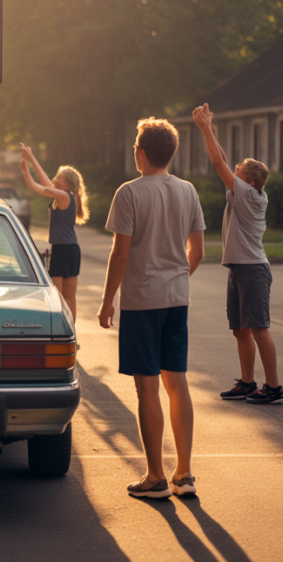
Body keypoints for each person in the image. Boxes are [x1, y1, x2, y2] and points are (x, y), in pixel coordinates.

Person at [98, 118, 206, 499]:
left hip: (143, 302)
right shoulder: (188, 191)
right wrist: (176, 276)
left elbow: (121, 253)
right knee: (177, 383)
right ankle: (185, 474)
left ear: (141, 154)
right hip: (177, 298)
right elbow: (198, 252)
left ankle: (156, 476)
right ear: (171, 153)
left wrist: (108, 300)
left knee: (147, 389)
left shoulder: (128, 193)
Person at [193, 103, 283, 404]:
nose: (233, 173)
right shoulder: (243, 191)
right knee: (240, 330)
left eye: (238, 172)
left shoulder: (252, 196)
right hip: (239, 268)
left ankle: (273, 387)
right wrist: (210, 125)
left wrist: (206, 129)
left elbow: (219, 162)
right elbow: (224, 160)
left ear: (251, 182)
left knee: (259, 329)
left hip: (254, 269)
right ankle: (248, 382)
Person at [20, 145, 89, 318]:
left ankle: (68, 334)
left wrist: (30, 159)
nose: (55, 178)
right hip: (70, 249)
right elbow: (41, 183)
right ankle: (69, 334)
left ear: (66, 183)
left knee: (62, 297)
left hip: (64, 250)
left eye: (59, 177)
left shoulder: (64, 196)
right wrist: (27, 165)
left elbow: (40, 187)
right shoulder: (64, 196)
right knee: (66, 297)